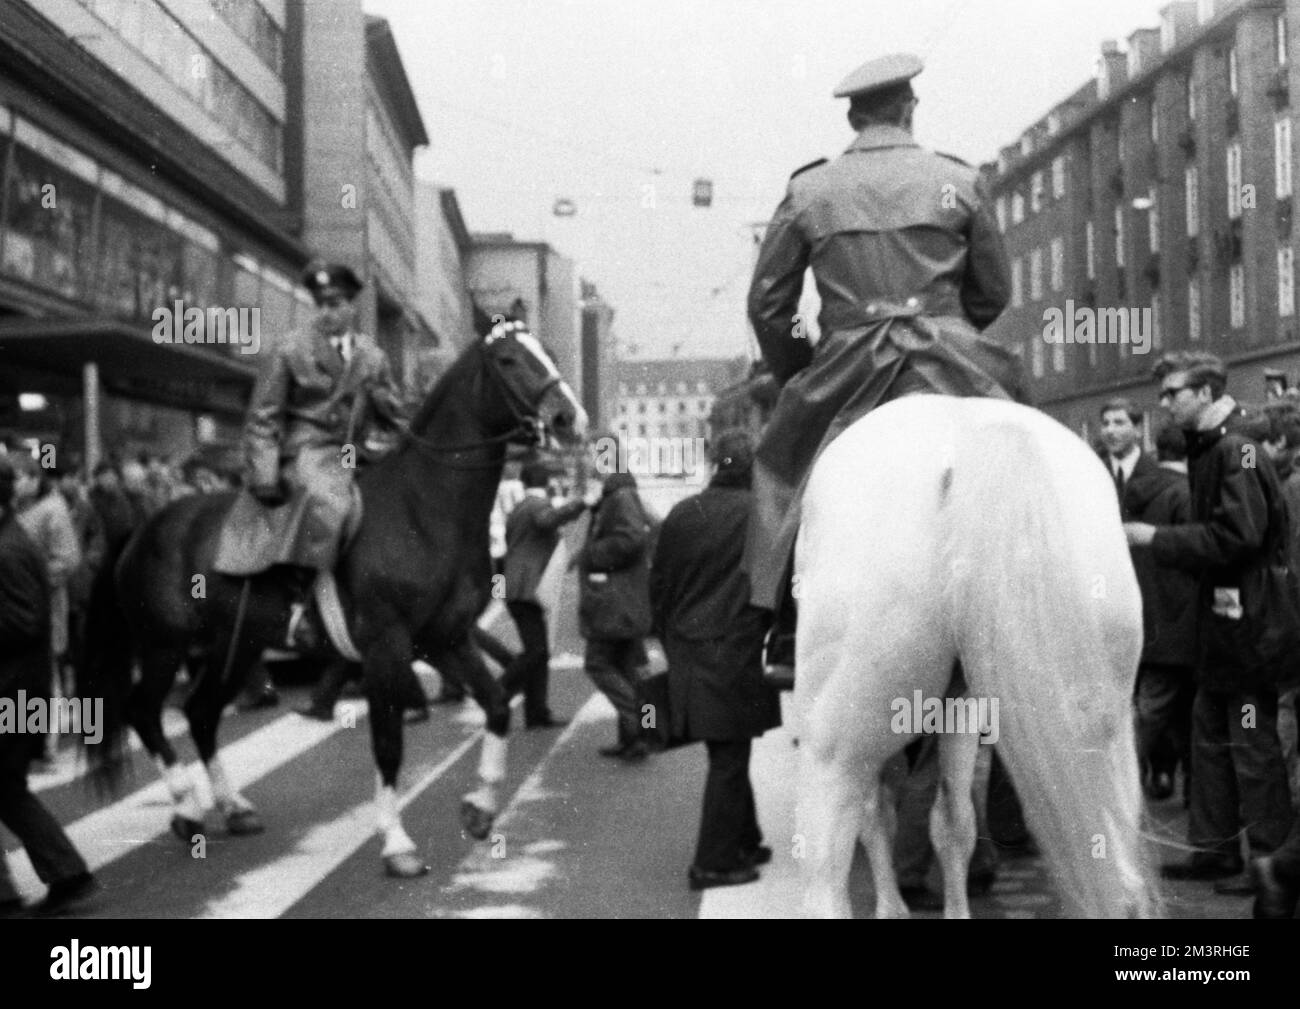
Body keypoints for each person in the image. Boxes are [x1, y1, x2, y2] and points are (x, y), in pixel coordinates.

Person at [744, 52, 1026, 677]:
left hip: (847, 363)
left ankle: (785, 628)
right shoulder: (958, 179)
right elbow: (994, 291)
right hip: (950, 354)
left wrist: (803, 370)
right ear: (908, 109)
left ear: (853, 117)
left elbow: (769, 305)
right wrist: (950, 333)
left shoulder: (809, 189)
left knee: (785, 471)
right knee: (1030, 449)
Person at [1125, 352, 1295, 891]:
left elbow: (1239, 535)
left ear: (1204, 392)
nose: (1165, 403)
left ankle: (1266, 860)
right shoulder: (1218, 447)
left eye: (1174, 393)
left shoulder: (1236, 450)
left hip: (1247, 635)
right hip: (1225, 634)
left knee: (1250, 745)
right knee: (1211, 738)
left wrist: (1159, 540)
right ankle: (1217, 851)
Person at [212, 260, 407, 650]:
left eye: (335, 304)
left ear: (352, 306)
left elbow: (396, 416)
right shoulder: (290, 349)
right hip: (307, 449)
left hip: (355, 451)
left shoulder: (373, 357)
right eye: (320, 304)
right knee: (327, 497)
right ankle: (301, 605)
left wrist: (396, 443)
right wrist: (264, 472)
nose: (327, 312)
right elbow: (263, 416)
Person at [650, 430, 781, 890]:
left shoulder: (683, 513)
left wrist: (671, 642)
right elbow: (776, 590)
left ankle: (746, 838)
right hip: (735, 650)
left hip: (688, 649)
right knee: (729, 756)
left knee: (726, 751)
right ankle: (713, 862)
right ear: (752, 466)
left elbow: (659, 588)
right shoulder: (759, 515)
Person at [0, 456, 98, 916]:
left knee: (5, 788)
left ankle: (68, 874)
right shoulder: (11, 538)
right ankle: (54, 877)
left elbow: (23, 621)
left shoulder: (7, 548)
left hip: (14, 693)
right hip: (20, 690)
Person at [1124, 423, 1197, 802]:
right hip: (1184, 621)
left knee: (1150, 710)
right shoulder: (1187, 494)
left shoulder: (1134, 494)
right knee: (1187, 715)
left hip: (1146, 619)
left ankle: (1129, 781)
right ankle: (1191, 795)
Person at [499, 461, 590, 728]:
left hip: (517, 587)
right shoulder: (537, 506)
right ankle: (495, 692)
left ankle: (536, 713)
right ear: (547, 484)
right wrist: (582, 503)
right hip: (528, 588)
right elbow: (548, 519)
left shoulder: (518, 508)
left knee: (537, 652)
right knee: (536, 651)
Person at [574, 471, 654, 762]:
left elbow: (630, 539)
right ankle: (635, 739)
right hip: (623, 602)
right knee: (626, 669)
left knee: (598, 664)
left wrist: (591, 554)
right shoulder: (620, 498)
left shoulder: (620, 499)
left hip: (615, 604)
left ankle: (635, 718)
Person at [1098, 398, 1157, 521]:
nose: (1110, 430)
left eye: (1118, 423)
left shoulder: (1156, 473)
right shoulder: (1095, 473)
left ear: (1138, 430)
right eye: (1105, 423)